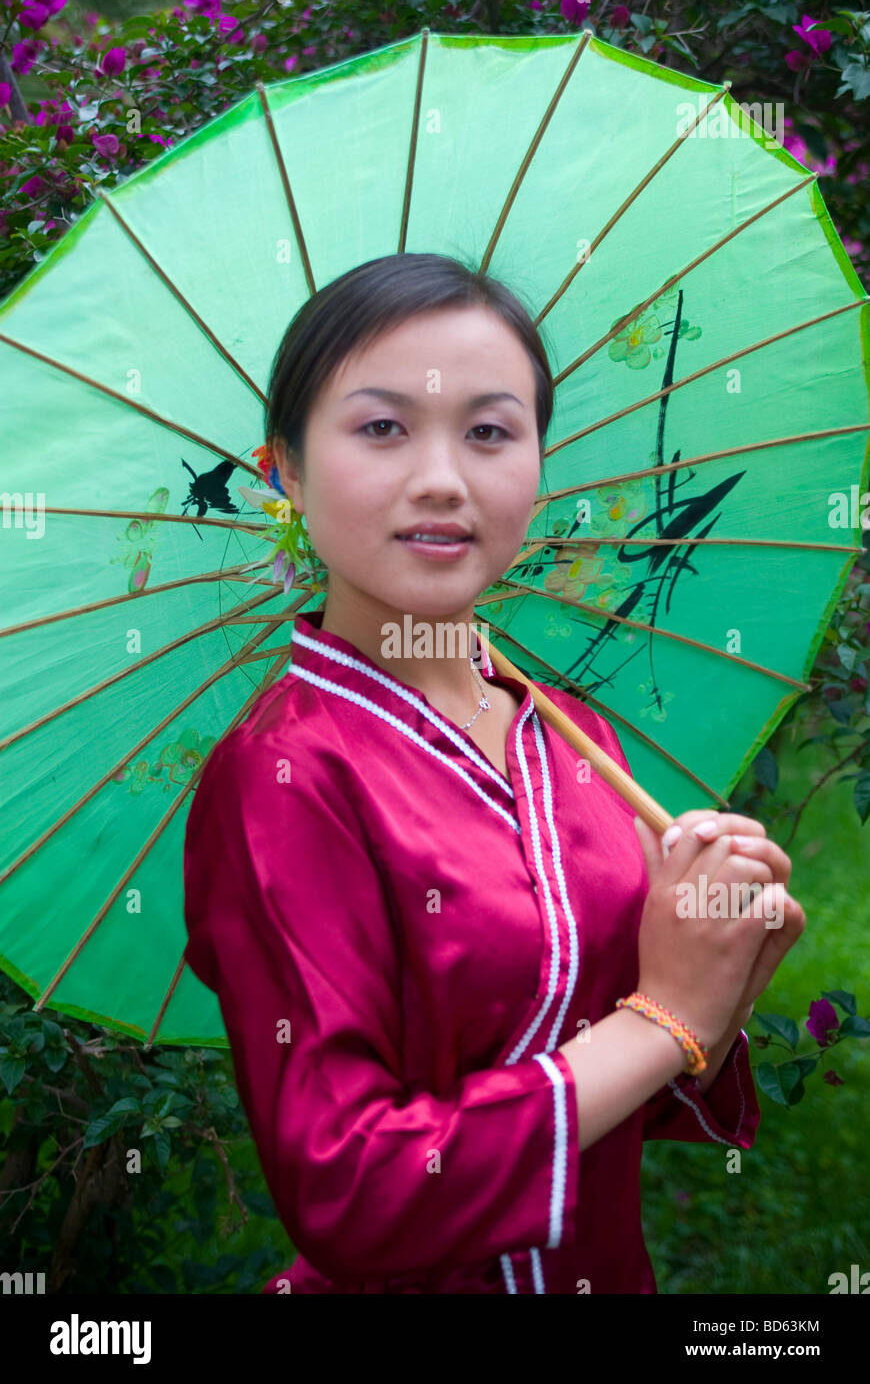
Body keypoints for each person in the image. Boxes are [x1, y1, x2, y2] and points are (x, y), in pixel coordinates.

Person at [182, 252, 806, 1294]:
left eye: (489, 431)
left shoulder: (573, 740)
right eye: (382, 427)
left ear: (539, 465)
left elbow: (621, 1100)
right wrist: (667, 1019)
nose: (443, 477)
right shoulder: (284, 777)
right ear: (282, 471)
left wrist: (721, 975)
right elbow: (356, 1192)